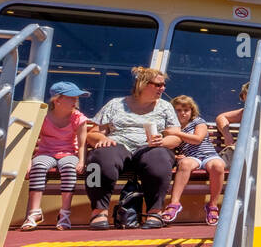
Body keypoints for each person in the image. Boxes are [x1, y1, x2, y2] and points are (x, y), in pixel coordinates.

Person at [85, 66, 181, 229]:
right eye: (158, 85)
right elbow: (92, 134)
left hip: (150, 148)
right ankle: (98, 211)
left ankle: (155, 212)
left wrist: (162, 142)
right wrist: (101, 139)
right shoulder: (115, 105)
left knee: (160, 158)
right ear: (143, 84)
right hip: (118, 145)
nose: (162, 88)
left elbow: (176, 137)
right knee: (97, 160)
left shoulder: (165, 107)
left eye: (163, 85)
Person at [21, 81, 90, 231]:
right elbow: (31, 142)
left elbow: (82, 143)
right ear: (57, 100)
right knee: (38, 167)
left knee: (69, 168)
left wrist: (81, 161)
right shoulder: (43, 116)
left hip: (68, 153)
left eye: (76, 98)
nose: (75, 101)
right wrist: (28, 162)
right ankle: (34, 213)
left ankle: (64, 214)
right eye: (71, 98)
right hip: (46, 152)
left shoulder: (78, 118)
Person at [162, 95, 226, 225]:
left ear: (192, 111)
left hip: (209, 155)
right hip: (191, 157)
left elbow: (197, 139)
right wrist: (175, 156)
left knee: (218, 165)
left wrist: (176, 133)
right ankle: (174, 204)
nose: (183, 113)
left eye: (186, 110)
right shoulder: (172, 126)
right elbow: (170, 145)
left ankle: (212, 205)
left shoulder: (198, 121)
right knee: (184, 164)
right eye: (178, 110)